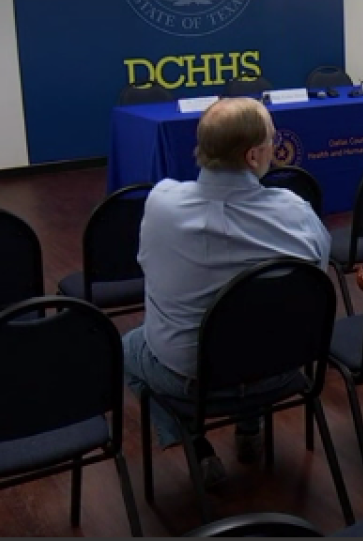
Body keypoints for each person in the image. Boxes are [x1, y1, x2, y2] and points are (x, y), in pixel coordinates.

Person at [122, 97, 330, 487]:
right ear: (254, 156)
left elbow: (148, 264)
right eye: (271, 139)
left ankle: (194, 439)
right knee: (258, 322)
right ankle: (249, 429)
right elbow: (315, 280)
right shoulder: (296, 212)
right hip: (281, 368)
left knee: (127, 348)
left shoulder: (162, 204)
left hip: (190, 377)